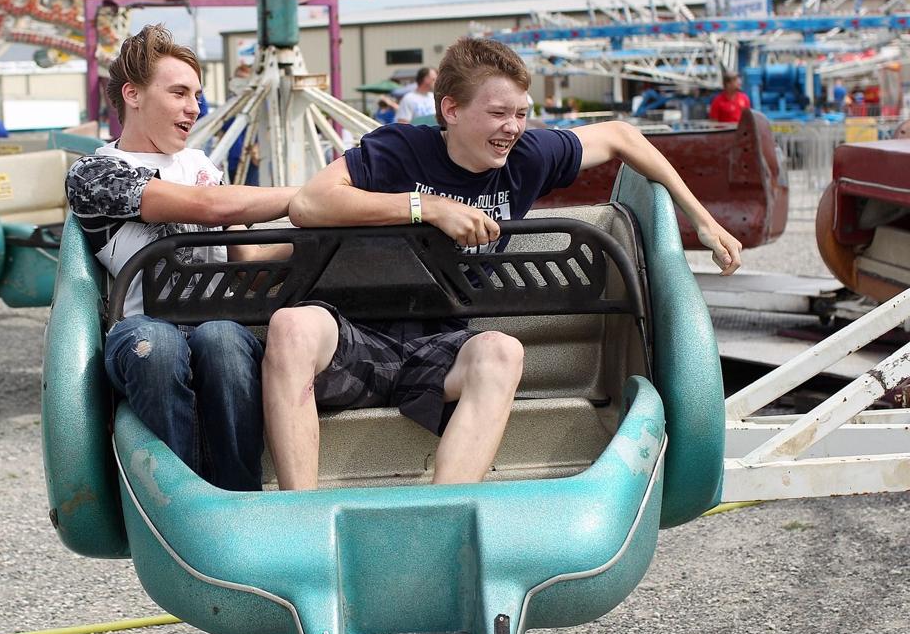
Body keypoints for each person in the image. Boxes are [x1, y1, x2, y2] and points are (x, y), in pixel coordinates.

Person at [261, 36, 744, 492]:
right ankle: (300, 515)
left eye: (520, 114)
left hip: (439, 344)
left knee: (503, 352)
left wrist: (701, 221)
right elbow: (309, 204)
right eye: (497, 113)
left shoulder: (526, 158)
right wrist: (425, 207)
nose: (512, 127)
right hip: (356, 336)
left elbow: (621, 136)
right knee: (291, 327)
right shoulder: (400, 149)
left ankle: (443, 517)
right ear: (450, 109)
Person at [65, 24, 297, 492]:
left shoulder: (202, 165)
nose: (194, 107)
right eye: (178, 93)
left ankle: (238, 497)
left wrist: (323, 230)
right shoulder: (95, 172)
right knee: (159, 344)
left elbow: (246, 260)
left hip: (215, 324)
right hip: (143, 328)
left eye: (196, 95)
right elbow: (211, 207)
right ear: (132, 94)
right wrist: (306, 198)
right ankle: (176, 500)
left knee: (223, 341)